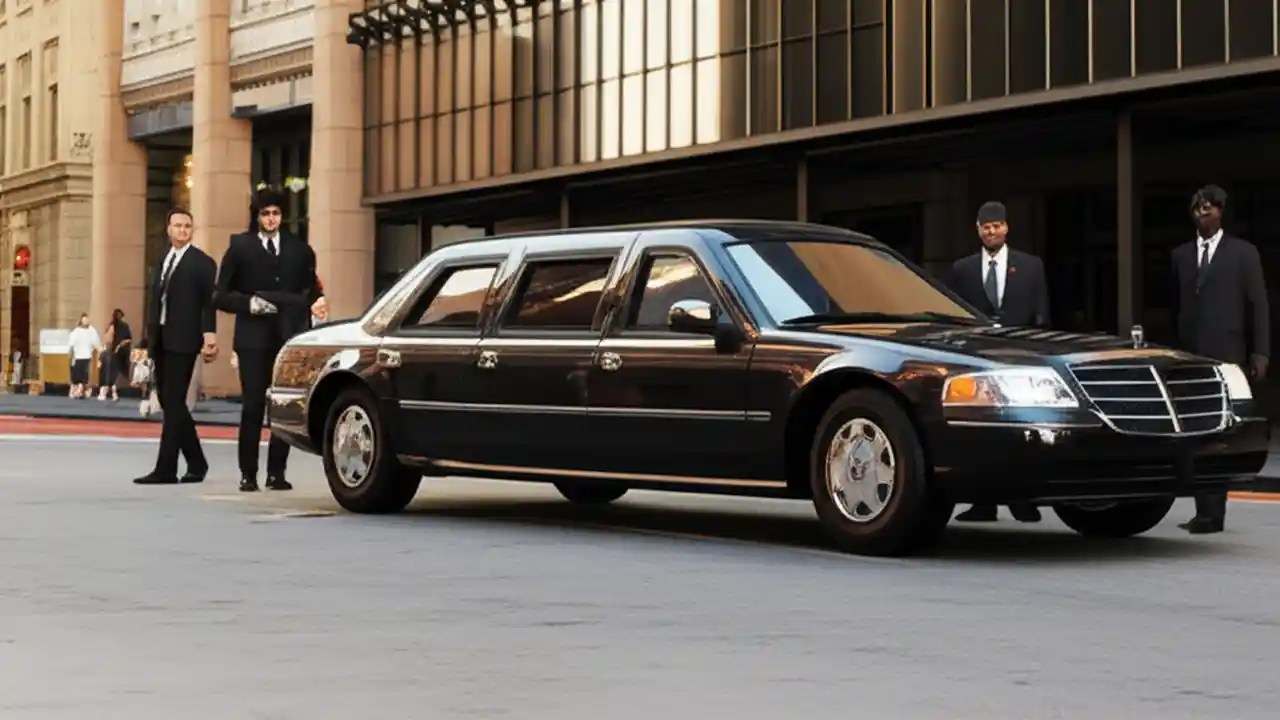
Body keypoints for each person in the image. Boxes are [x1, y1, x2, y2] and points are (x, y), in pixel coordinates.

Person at [1171, 184, 1269, 534]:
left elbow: (1258, 305)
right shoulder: (1180, 256)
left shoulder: (1244, 253)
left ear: (1221, 212)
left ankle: (1213, 514)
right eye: (1198, 207)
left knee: (1220, 434)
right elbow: (1175, 308)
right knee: (1197, 434)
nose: (1203, 212)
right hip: (1190, 358)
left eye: (1210, 206)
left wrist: (1260, 351)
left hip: (1228, 356)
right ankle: (1204, 510)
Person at [946, 200, 1050, 524]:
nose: (992, 231)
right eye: (986, 227)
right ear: (978, 230)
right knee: (982, 431)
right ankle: (983, 504)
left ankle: (1024, 502)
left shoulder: (1031, 266)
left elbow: (1042, 312)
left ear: (1006, 227)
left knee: (1024, 430)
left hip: (1020, 357)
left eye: (997, 226)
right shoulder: (962, 269)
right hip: (979, 361)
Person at [216, 187, 325, 492]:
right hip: (252, 338)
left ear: (282, 215)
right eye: (265, 213)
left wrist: (318, 302)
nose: (271, 219)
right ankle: (248, 474)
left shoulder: (300, 250)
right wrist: (249, 303)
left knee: (281, 404)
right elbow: (220, 295)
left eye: (276, 213)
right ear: (257, 216)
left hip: (287, 336)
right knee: (253, 405)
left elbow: (312, 289)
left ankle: (277, 473)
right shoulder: (239, 247)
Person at [133, 208, 219, 485]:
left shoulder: (202, 263)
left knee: (173, 400)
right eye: (178, 226)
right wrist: (147, 340)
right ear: (168, 229)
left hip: (184, 339)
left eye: (187, 226)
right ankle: (196, 462)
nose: (183, 230)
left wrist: (209, 334)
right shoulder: (162, 260)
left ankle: (166, 468)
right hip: (161, 338)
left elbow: (209, 302)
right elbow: (155, 302)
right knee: (171, 401)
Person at [98, 309, 133, 402]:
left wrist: (120, 345)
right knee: (110, 371)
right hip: (113, 352)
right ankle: (109, 390)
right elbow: (107, 339)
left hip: (118, 352)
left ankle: (110, 390)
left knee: (111, 371)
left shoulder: (122, 326)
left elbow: (128, 339)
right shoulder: (113, 326)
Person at [67, 313, 102, 399]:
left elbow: (96, 342)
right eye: (84, 320)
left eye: (87, 320)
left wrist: (100, 350)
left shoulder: (91, 331)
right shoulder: (76, 331)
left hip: (86, 356)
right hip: (77, 356)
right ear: (81, 320)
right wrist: (69, 353)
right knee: (76, 374)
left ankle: (80, 390)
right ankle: (75, 390)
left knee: (84, 375)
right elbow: (71, 344)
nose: (86, 321)